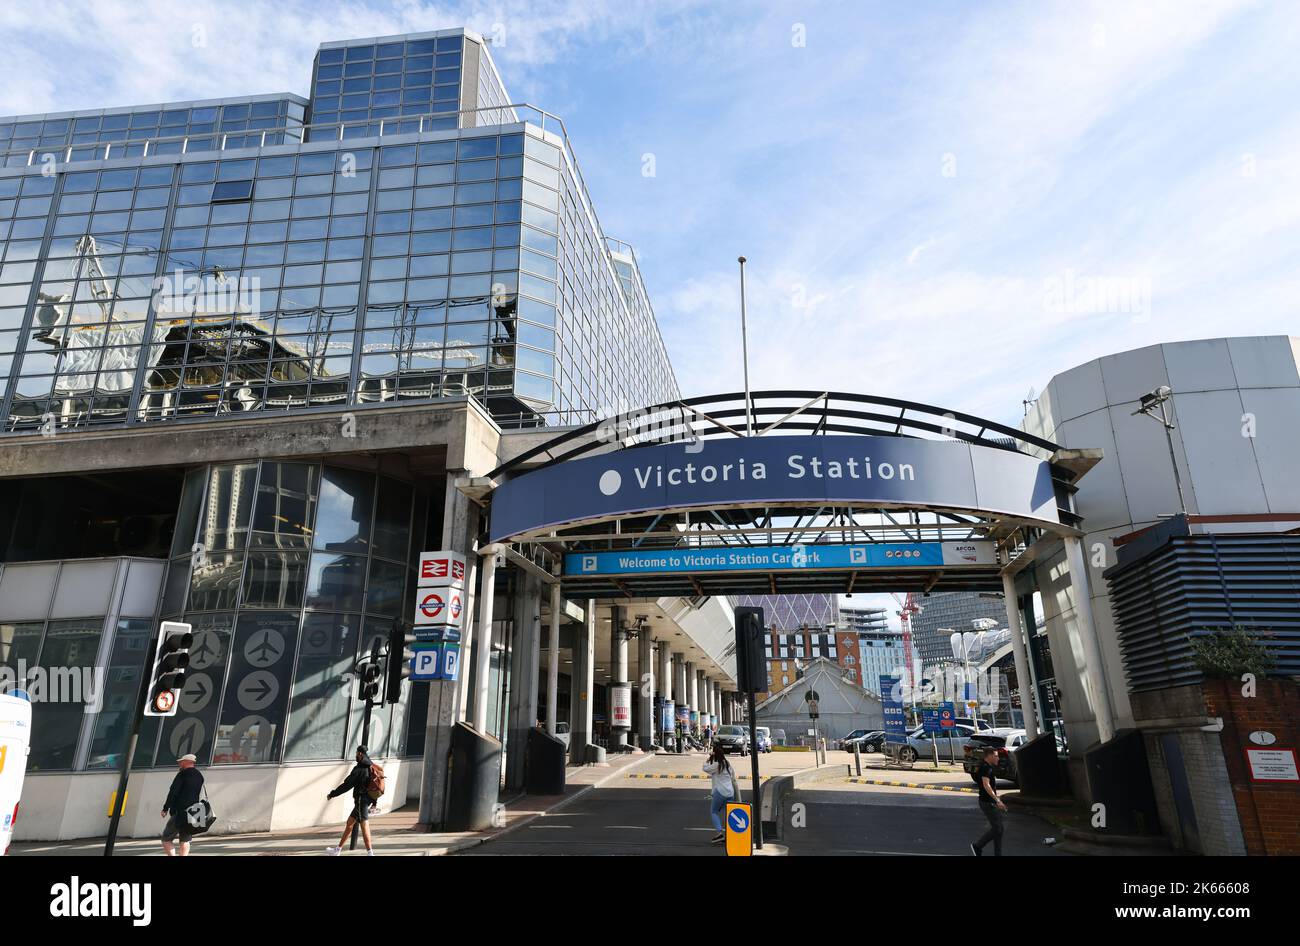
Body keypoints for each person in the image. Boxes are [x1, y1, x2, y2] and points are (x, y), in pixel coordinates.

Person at [326, 745, 378, 856]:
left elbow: (347, 785)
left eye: (356, 753)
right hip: (366, 799)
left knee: (364, 826)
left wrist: (333, 794)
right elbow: (373, 785)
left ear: (360, 754)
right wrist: (374, 802)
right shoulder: (371, 766)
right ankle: (337, 850)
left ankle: (370, 853)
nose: (355, 755)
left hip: (361, 800)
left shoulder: (359, 769)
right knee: (350, 823)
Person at [161, 753, 204, 857]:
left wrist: (165, 808)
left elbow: (173, 792)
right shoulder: (199, 775)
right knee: (185, 840)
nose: (179, 763)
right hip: (193, 812)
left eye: (181, 761)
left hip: (179, 812)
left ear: (187, 762)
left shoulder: (182, 774)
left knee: (166, 839)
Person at [970, 745, 1008, 856]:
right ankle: (977, 846)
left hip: (989, 801)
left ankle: (998, 853)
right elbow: (986, 785)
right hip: (987, 802)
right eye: (996, 756)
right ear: (989, 756)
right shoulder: (985, 768)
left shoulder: (987, 767)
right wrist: (997, 800)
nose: (998, 758)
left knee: (999, 829)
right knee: (997, 828)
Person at [702, 742, 738, 844]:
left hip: (720, 792)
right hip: (730, 792)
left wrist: (709, 758)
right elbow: (733, 776)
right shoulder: (727, 763)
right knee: (729, 814)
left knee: (714, 812)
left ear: (715, 754)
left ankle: (719, 833)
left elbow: (705, 768)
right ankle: (731, 834)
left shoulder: (716, 765)